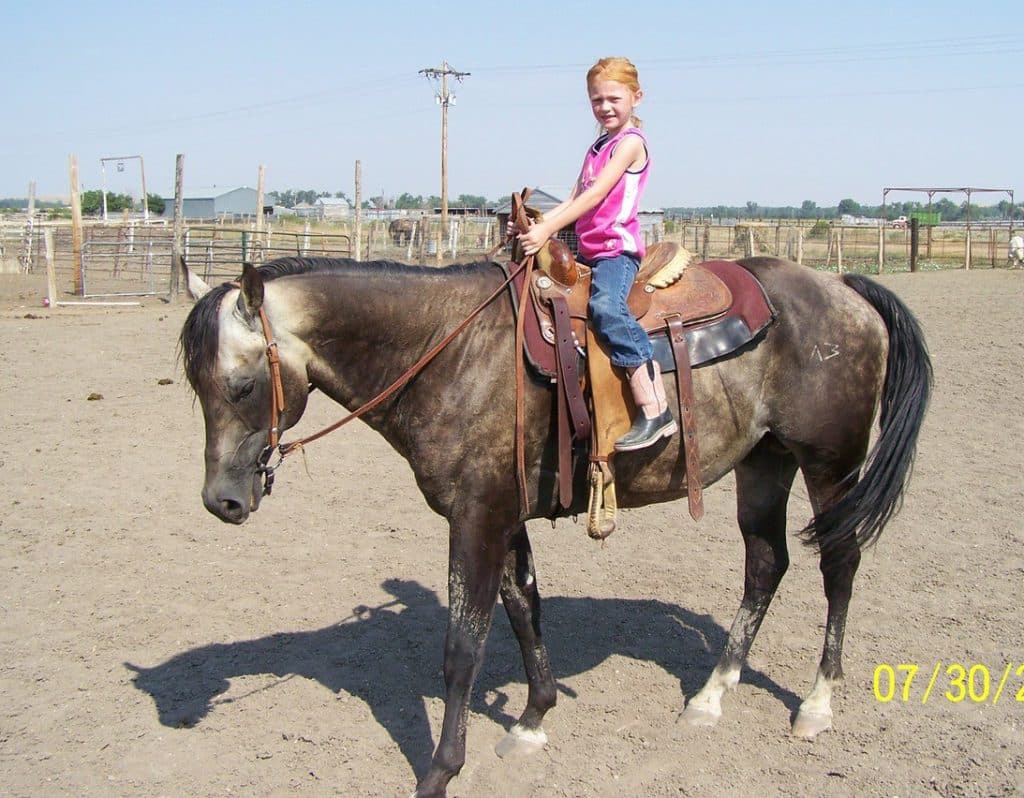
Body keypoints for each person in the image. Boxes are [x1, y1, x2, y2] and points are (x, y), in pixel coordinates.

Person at [517, 56, 676, 452]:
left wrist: (548, 229)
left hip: (615, 252)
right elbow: (573, 196)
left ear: (636, 97)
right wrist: (537, 223)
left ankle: (654, 405)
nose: (604, 107)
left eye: (613, 98)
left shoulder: (631, 144)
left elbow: (594, 196)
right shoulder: (597, 146)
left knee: (607, 308)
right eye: (596, 100)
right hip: (588, 250)